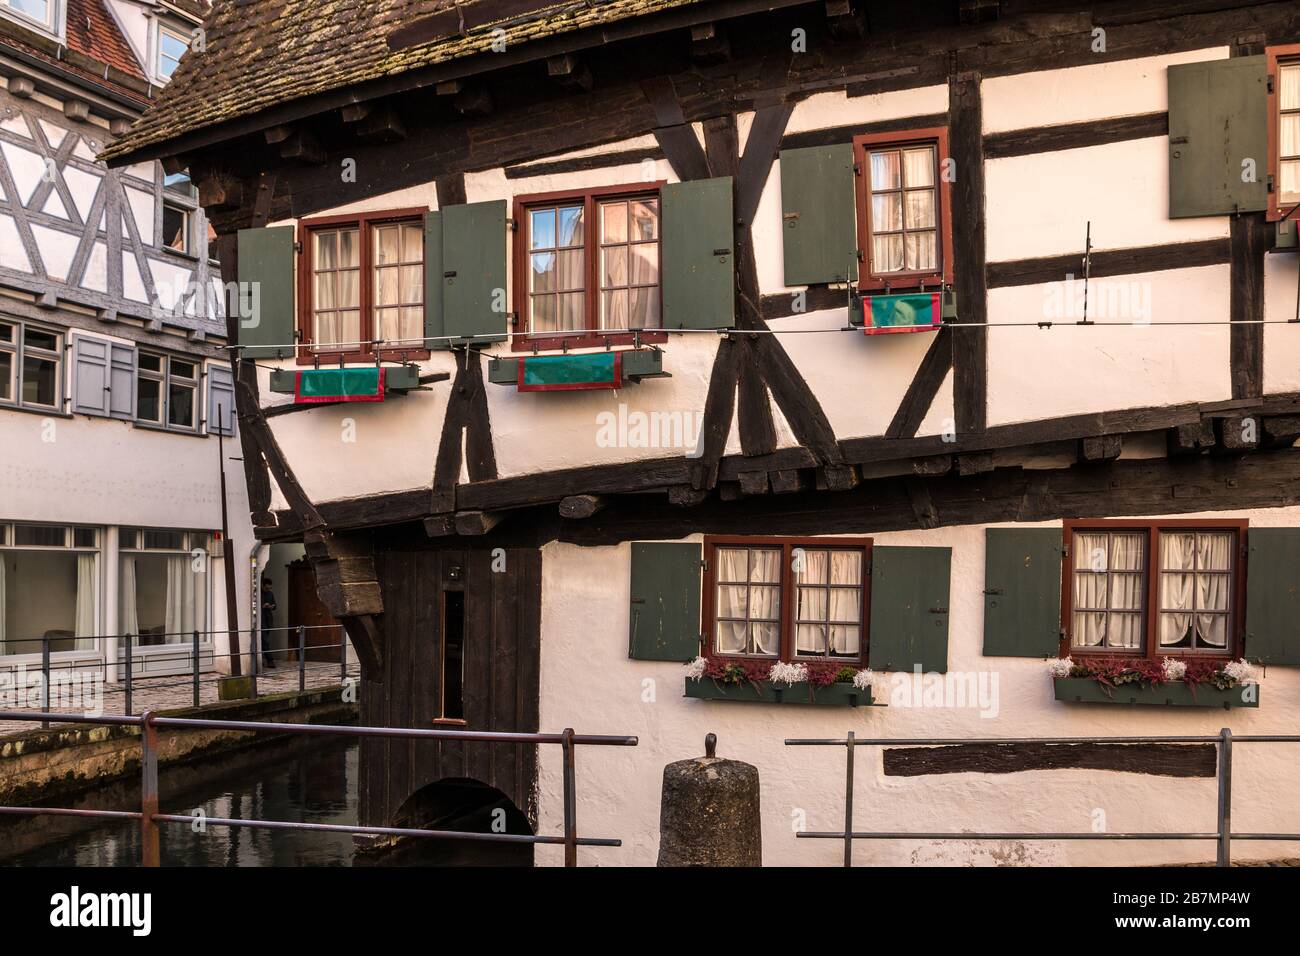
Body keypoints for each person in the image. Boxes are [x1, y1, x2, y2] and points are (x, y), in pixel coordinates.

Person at [260, 578, 278, 669]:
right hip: (260, 620)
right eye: (267, 588)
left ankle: (260, 660)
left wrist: (271, 606)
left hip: (268, 620)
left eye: (270, 588)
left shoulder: (270, 594)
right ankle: (270, 660)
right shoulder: (258, 593)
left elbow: (275, 605)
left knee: (263, 641)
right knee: (265, 641)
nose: (269, 590)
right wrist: (262, 606)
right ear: (262, 586)